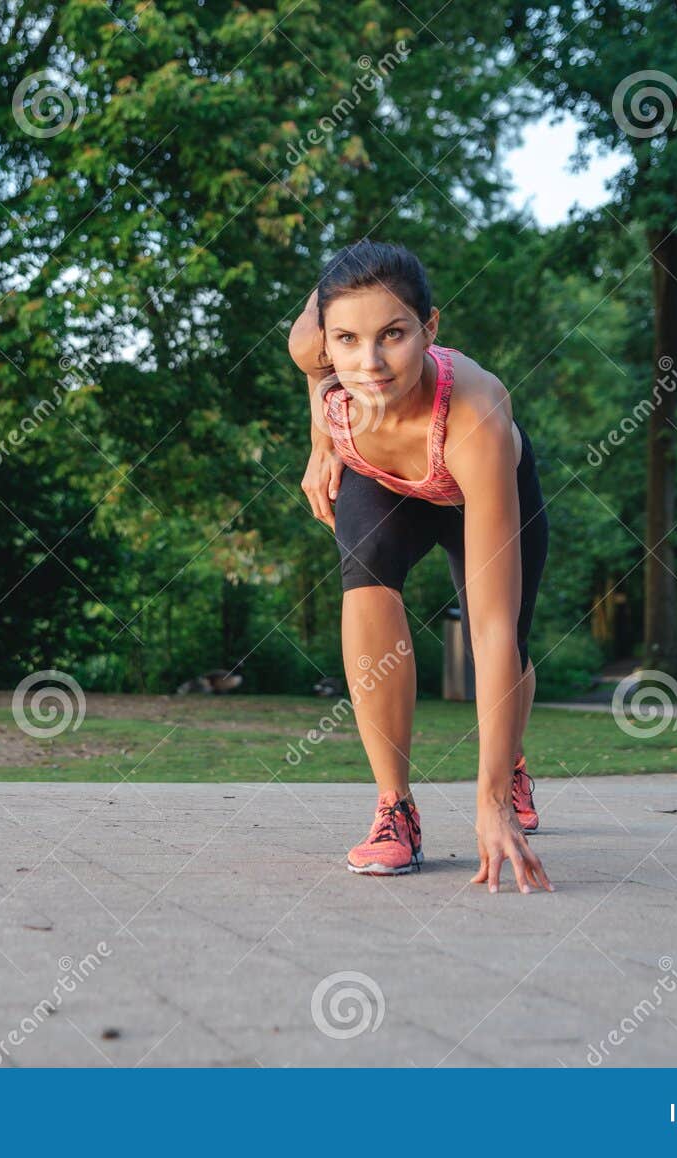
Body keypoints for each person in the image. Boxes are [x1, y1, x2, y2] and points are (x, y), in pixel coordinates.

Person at [289, 239, 553, 894]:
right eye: (346, 339)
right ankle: (394, 810)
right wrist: (322, 440)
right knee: (365, 579)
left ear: (430, 327)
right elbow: (317, 374)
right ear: (325, 337)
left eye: (395, 334)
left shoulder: (477, 411)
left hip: (475, 487)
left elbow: (487, 629)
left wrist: (489, 804)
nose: (369, 363)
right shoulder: (312, 346)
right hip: (383, 481)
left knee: (509, 638)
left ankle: (507, 768)